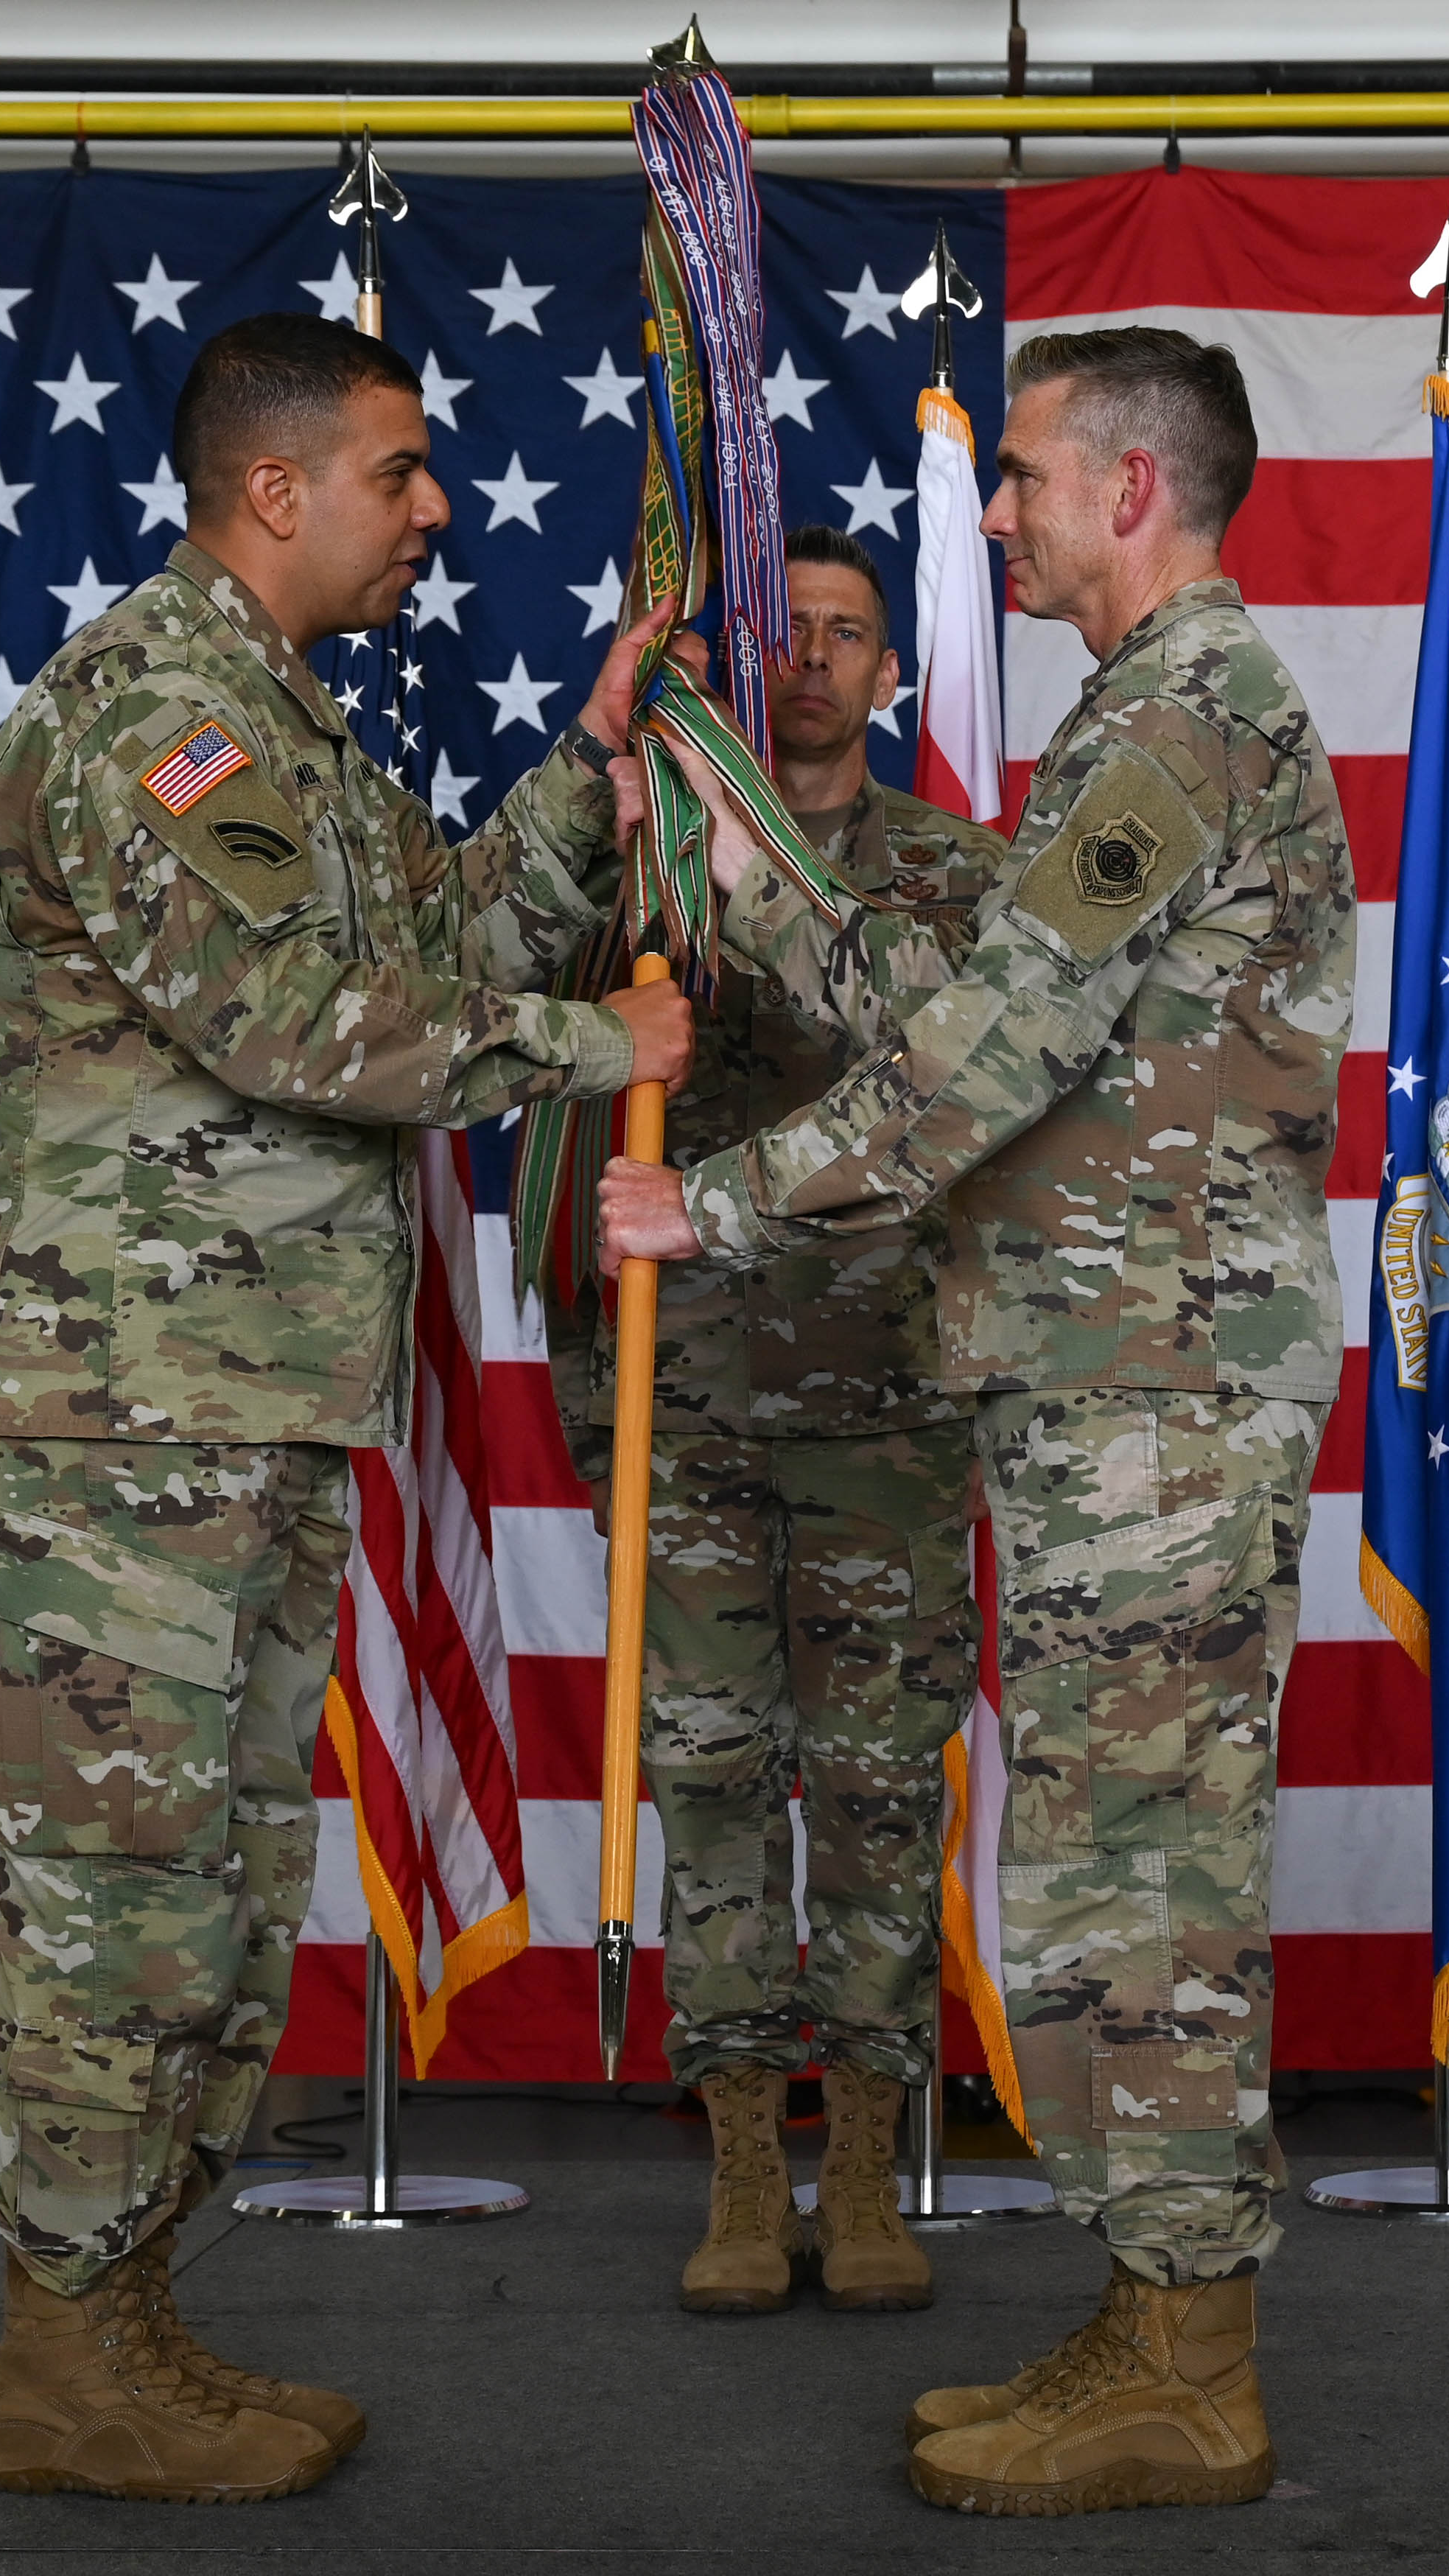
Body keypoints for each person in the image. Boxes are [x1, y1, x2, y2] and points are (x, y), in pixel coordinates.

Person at [0, 309, 691, 2505]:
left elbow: (431, 935)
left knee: (225, 1881)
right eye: (401, 471)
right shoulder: (158, 720)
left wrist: (579, 774)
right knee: (124, 1887)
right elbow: (292, 1021)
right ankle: (58, 2353)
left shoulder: (281, 722)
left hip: (238, 1401)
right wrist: (593, 1057)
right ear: (275, 489)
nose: (433, 509)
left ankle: (132, 2320)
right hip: (125, 1417)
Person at [601, 325, 1350, 2518]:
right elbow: (944, 1006)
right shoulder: (1143, 719)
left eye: (1019, 478)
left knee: (1146, 1890)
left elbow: (966, 1070)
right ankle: (1147, 2322)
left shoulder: (1186, 715)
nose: (991, 513)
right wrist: (732, 853)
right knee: (1109, 1881)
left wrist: (703, 1198)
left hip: (1155, 1393)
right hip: (1108, 1387)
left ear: (1133, 488)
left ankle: (1188, 2364)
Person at [544, 525, 1008, 2320]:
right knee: (714, 1777)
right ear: (742, 676)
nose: (810, 658)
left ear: (889, 676)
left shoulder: (959, 880)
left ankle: (874, 2163)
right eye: (782, 634)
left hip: (887, 1401)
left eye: (844, 635)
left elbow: (950, 1080)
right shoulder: (644, 869)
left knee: (884, 1790)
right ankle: (747, 2157)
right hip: (687, 1403)